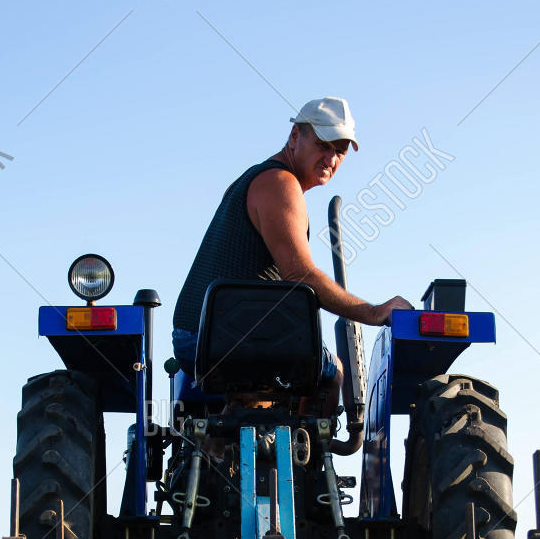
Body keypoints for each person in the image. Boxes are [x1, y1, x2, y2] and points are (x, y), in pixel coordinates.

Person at [170, 96, 414, 401]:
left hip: (195, 337)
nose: (331, 159)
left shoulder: (252, 179)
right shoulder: (280, 183)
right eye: (324, 145)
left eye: (339, 152)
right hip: (222, 339)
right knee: (332, 373)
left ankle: (227, 442)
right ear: (295, 136)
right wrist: (375, 312)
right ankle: (302, 447)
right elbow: (300, 275)